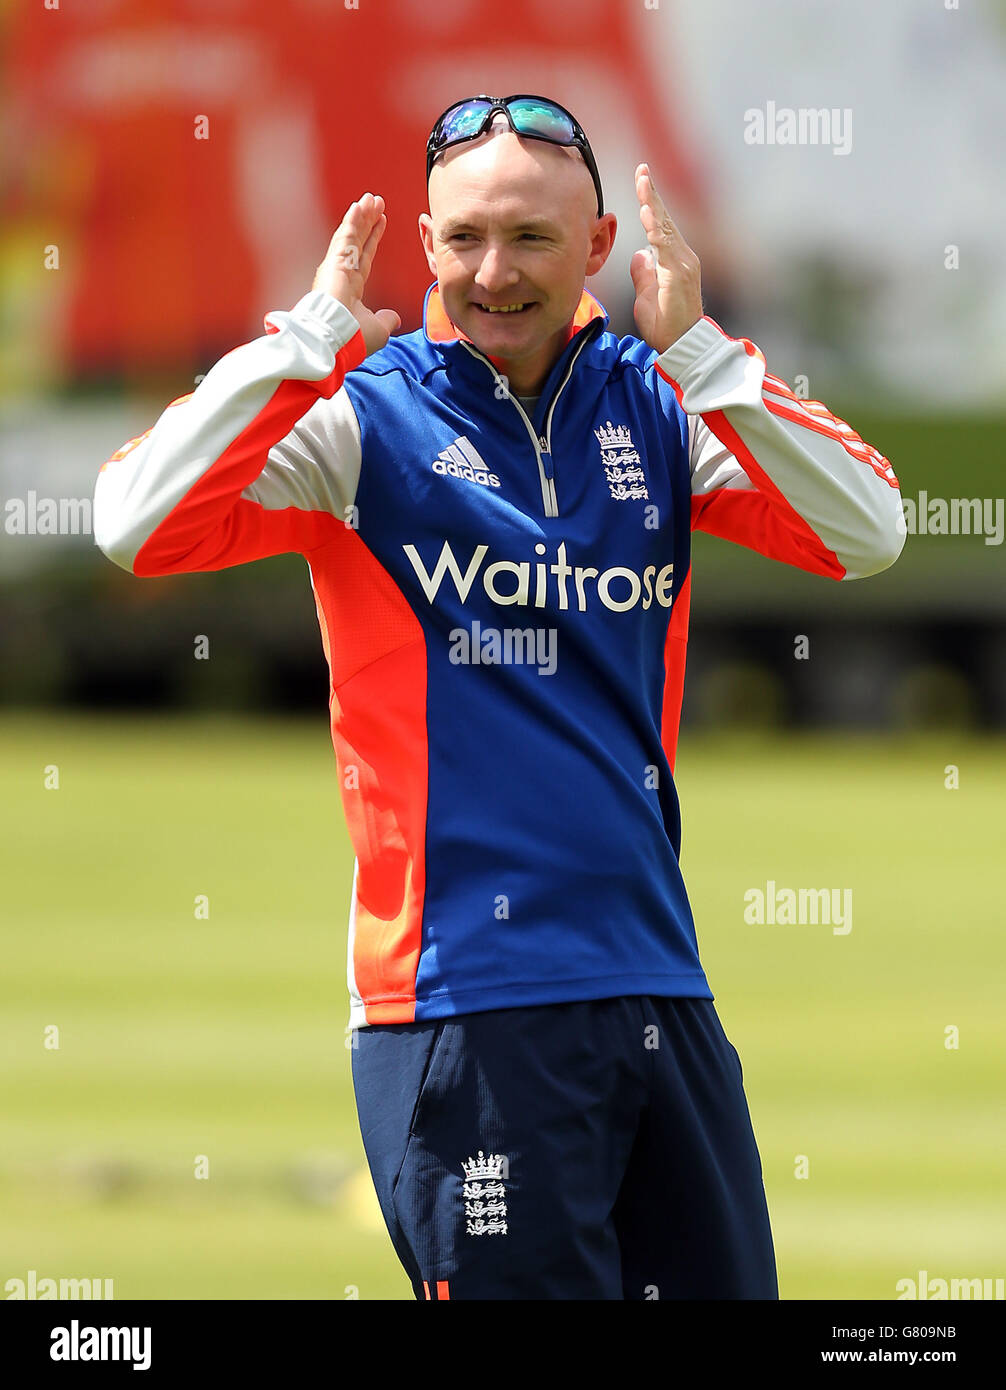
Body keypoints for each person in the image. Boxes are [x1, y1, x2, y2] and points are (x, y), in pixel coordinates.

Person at [94, 94, 905, 1300]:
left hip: (657, 985)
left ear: (595, 251)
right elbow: (132, 523)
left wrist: (705, 357)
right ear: (425, 247)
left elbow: (870, 530)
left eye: (530, 238)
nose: (493, 271)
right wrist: (303, 341)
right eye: (464, 237)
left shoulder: (661, 406)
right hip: (463, 1003)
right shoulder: (361, 421)